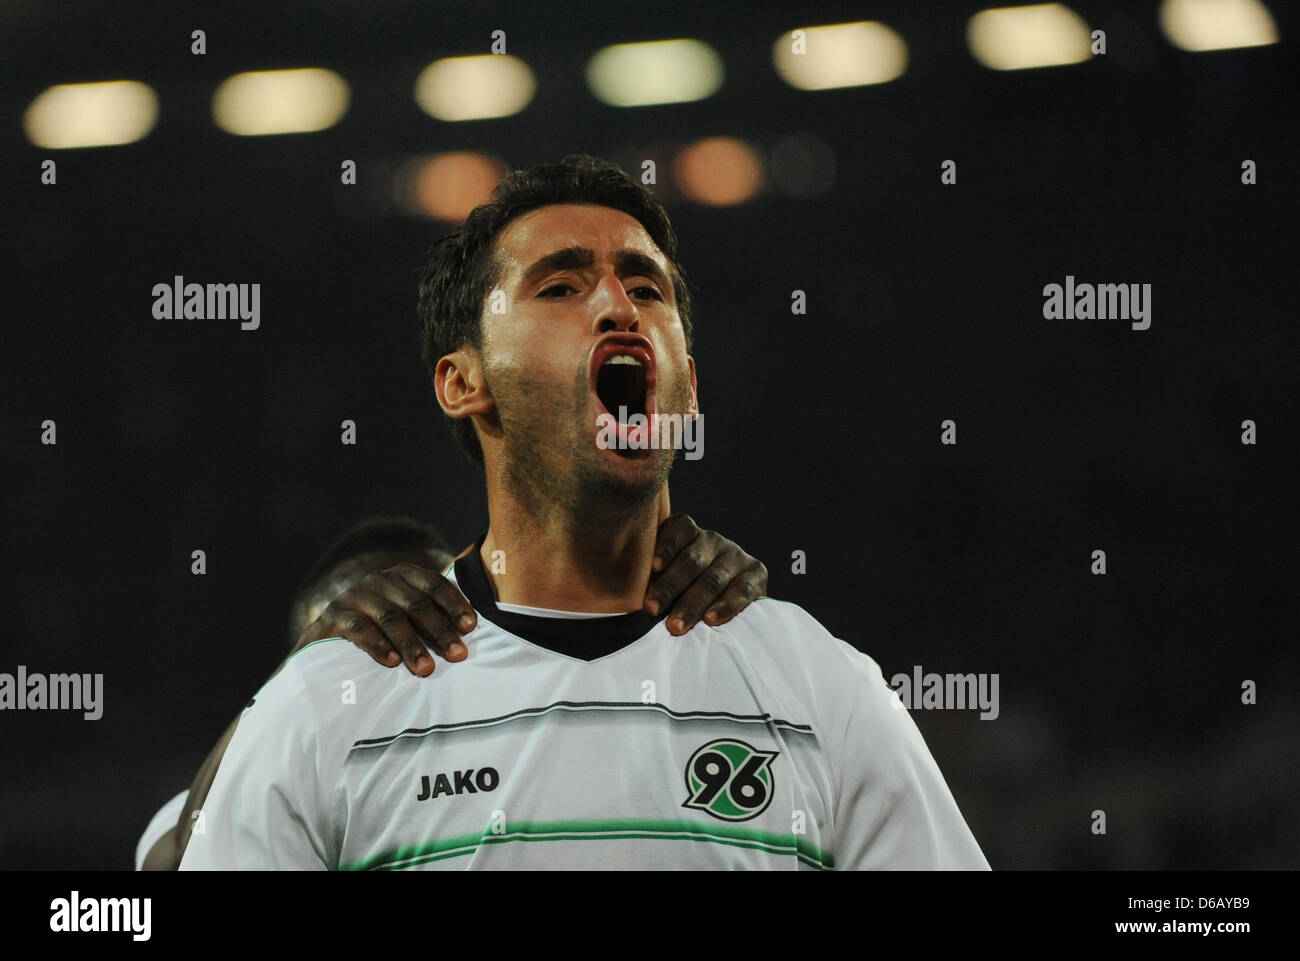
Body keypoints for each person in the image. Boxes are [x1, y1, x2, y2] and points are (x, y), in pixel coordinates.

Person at [181, 155, 988, 870]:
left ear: (690, 381)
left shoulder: (822, 685)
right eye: (560, 285)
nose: (616, 305)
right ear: (463, 382)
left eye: (646, 286)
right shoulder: (332, 703)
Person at [138, 512, 767, 869]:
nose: (386, 672)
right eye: (351, 653)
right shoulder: (269, 769)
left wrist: (701, 591)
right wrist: (301, 671)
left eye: (425, 632)